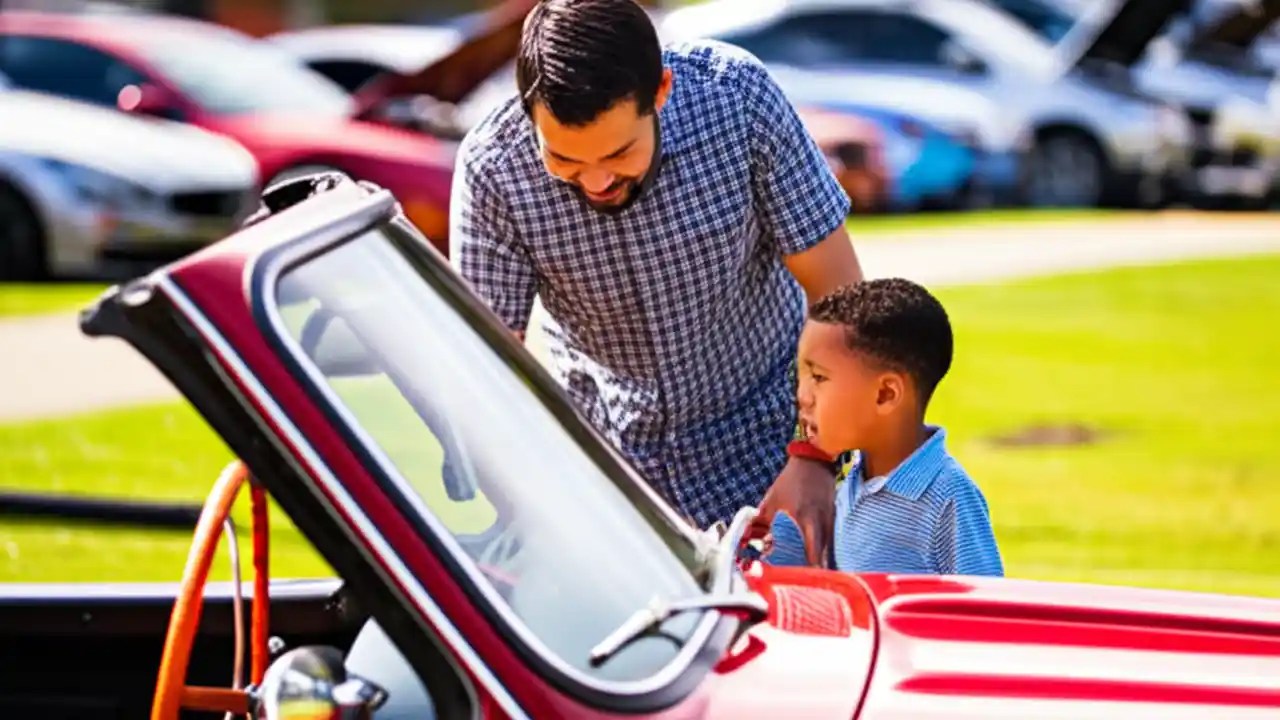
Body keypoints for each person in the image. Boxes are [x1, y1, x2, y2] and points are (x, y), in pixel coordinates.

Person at [449, 0, 863, 546]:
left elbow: (842, 296)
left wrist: (816, 455)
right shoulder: (493, 170)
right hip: (614, 494)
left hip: (776, 459)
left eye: (619, 152)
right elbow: (484, 370)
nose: (595, 181)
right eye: (565, 162)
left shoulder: (737, 98)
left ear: (661, 91)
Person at [764, 279, 1004, 577]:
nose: (802, 395)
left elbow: (984, 608)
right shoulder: (851, 482)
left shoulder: (949, 497)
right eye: (799, 374)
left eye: (819, 377)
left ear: (886, 395)